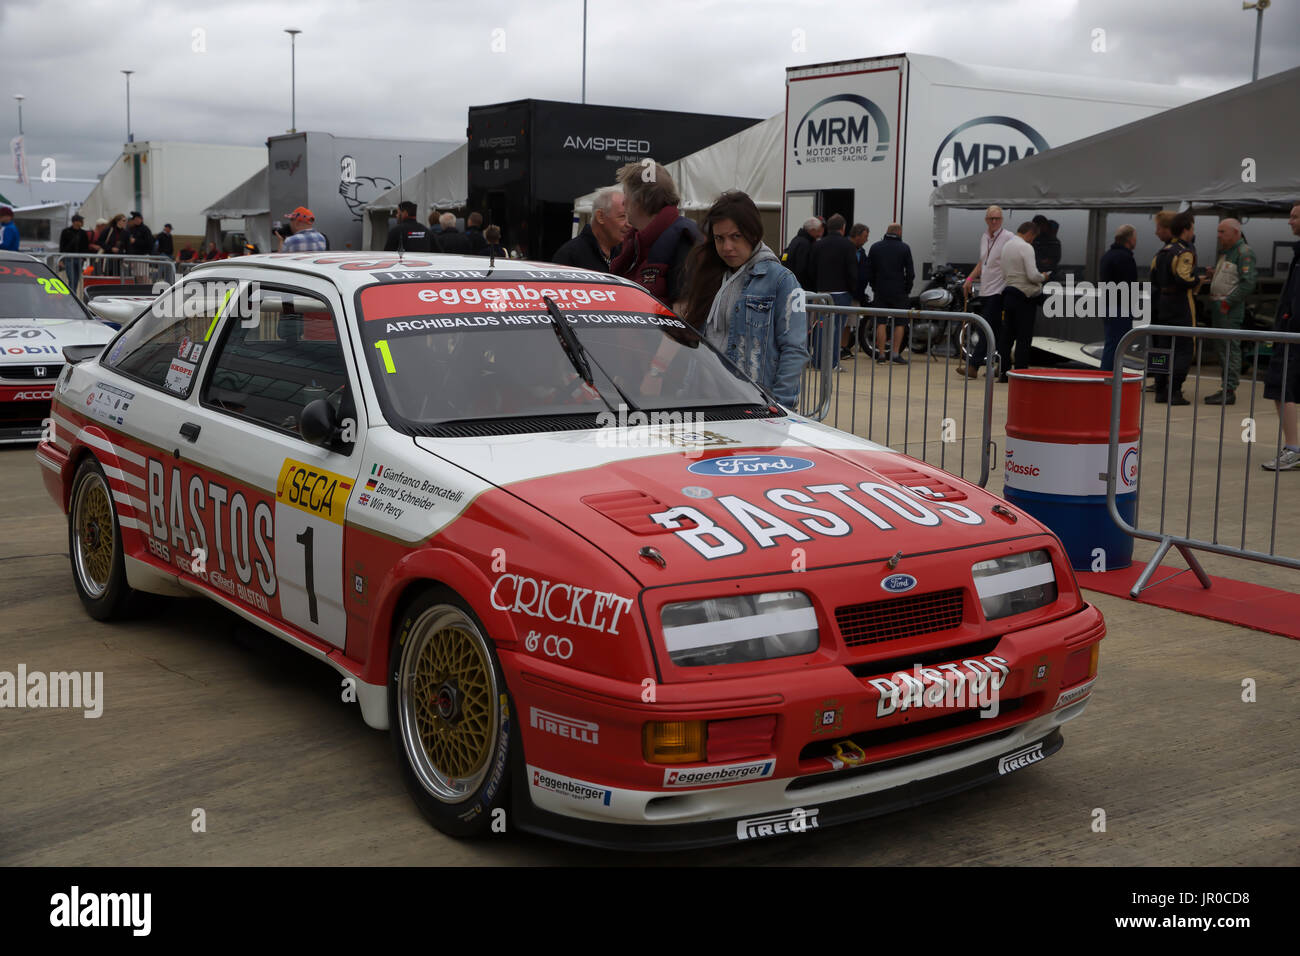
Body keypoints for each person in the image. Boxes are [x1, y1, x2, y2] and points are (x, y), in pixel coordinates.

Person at [679, 190, 808, 407]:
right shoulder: (710, 275)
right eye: (719, 238)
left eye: (735, 236)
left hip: (751, 403)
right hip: (700, 398)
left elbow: (794, 349)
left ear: (753, 233)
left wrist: (780, 405)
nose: (727, 247)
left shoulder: (781, 281)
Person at [610, 159, 701, 311]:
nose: (623, 203)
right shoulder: (634, 241)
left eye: (626, 194)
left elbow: (684, 313)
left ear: (639, 200)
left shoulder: (683, 239)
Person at [1202, 218, 1257, 405]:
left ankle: (1230, 389)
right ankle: (1226, 387)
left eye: (1222, 232)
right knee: (1222, 349)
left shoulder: (1244, 253)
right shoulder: (1227, 253)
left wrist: (1228, 302)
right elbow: (1230, 278)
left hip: (1229, 309)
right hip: (1220, 308)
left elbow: (1248, 283)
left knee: (1229, 349)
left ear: (1235, 232)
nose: (1218, 236)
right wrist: (1213, 275)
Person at [1262, 202, 1300, 471]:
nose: (1290, 221)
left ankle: (1294, 448)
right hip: (1289, 332)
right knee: (1282, 386)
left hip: (1292, 335)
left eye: (1295, 217)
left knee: (1282, 385)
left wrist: (1287, 327)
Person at [1150, 211, 1199, 405]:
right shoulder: (1183, 251)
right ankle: (1175, 391)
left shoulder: (1161, 252)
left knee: (1162, 348)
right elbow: (1183, 277)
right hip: (1180, 304)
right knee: (1184, 348)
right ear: (1186, 229)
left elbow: (1153, 276)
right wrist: (1197, 279)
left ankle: (1160, 389)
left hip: (1162, 303)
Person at [959, 205, 1013, 378]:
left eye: (997, 218)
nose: (994, 222)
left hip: (998, 291)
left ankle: (973, 366)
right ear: (986, 220)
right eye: (991, 219)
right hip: (985, 290)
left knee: (985, 329)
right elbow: (983, 262)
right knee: (996, 331)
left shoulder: (1008, 237)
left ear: (1002, 220)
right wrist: (969, 279)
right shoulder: (984, 237)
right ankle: (1002, 366)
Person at [998, 221, 1051, 380]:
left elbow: (1003, 273)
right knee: (1023, 338)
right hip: (1024, 298)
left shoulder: (1006, 246)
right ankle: (1020, 373)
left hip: (1008, 295)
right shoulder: (1026, 247)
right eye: (1033, 237)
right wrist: (1044, 276)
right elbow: (1032, 275)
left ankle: (1003, 372)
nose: (1033, 241)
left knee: (1007, 338)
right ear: (1030, 233)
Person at [808, 214, 857, 369]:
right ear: (843, 228)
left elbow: (812, 269)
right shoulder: (848, 245)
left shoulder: (818, 245)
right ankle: (833, 362)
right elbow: (852, 271)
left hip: (822, 292)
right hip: (841, 293)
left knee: (822, 328)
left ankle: (817, 360)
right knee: (837, 330)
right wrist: (854, 290)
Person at [864, 223, 916, 364]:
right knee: (900, 322)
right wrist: (907, 289)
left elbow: (869, 271)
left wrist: (874, 286)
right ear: (899, 232)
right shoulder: (904, 248)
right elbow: (910, 273)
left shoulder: (875, 247)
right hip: (899, 291)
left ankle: (881, 355)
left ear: (887, 232)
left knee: (880, 322)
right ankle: (894, 354)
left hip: (881, 290)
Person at [553, 186, 627, 271]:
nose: (629, 224)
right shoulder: (570, 256)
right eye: (622, 216)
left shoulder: (624, 253)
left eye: (629, 216)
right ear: (600, 216)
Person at [1099, 224, 1139, 373]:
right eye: (1135, 237)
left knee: (1112, 343)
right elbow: (1129, 285)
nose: (1136, 241)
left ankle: (1108, 375)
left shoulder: (1107, 256)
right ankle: (1109, 376)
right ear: (1129, 239)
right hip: (1120, 307)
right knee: (1117, 345)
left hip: (1107, 305)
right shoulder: (1125, 258)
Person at [781, 217, 821, 290]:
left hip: (790, 285)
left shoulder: (796, 240)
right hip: (801, 288)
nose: (820, 234)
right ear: (812, 230)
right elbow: (802, 269)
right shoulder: (805, 244)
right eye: (818, 231)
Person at [59, 213, 90, 291]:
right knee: (72, 279)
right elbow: (62, 246)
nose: (82, 222)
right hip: (69, 259)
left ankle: (73, 295)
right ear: (75, 222)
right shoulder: (66, 232)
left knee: (76, 279)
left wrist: (84, 258)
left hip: (79, 260)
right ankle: (72, 295)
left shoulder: (83, 233)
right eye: (81, 221)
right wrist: (61, 259)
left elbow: (86, 246)